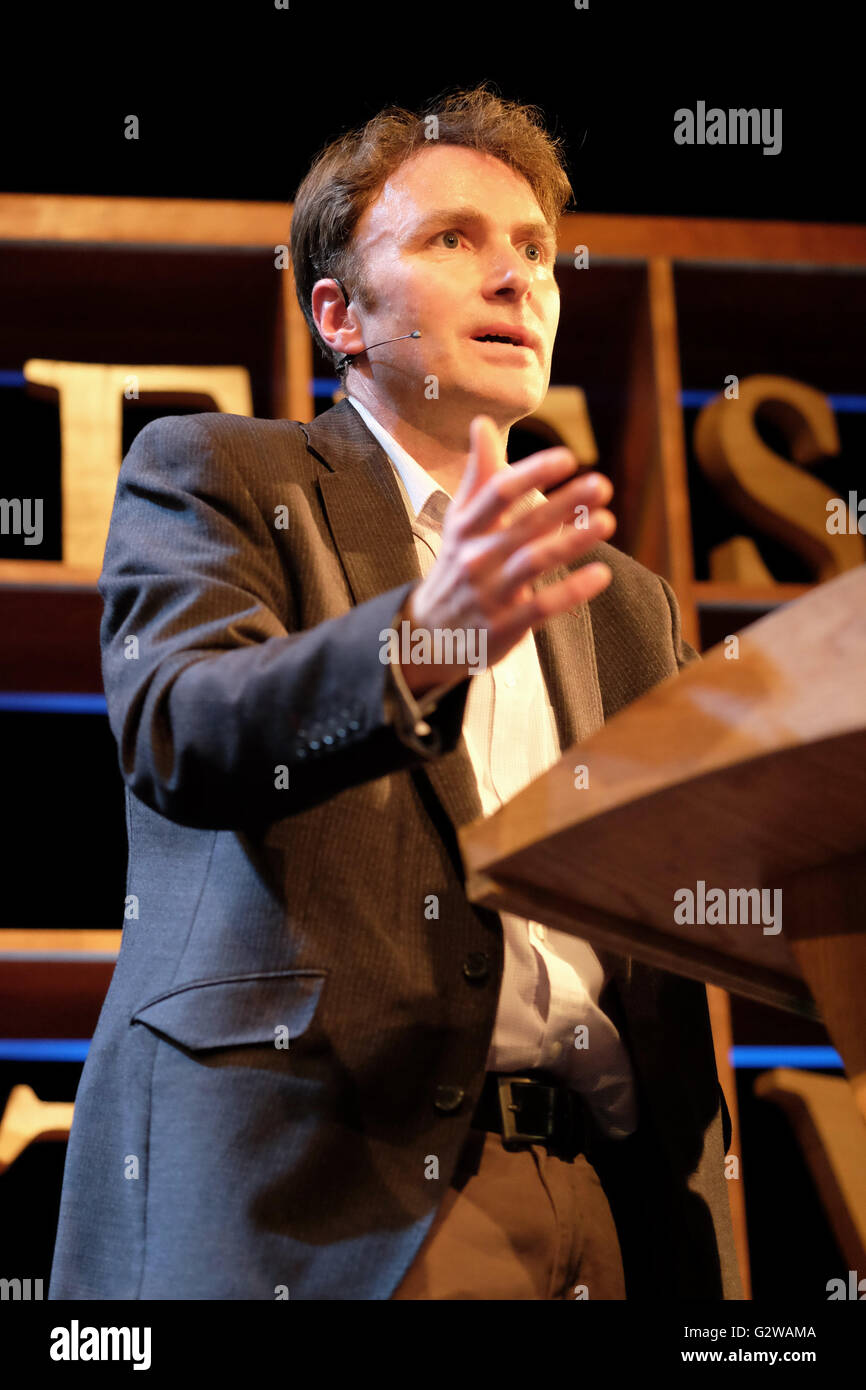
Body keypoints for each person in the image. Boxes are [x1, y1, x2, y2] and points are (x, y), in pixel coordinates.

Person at [48, 84, 740, 1300]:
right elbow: (179, 731)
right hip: (336, 1190)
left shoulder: (627, 602)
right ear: (340, 315)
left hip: (606, 1200)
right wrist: (425, 638)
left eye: (535, 250)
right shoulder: (216, 474)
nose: (516, 278)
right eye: (450, 240)